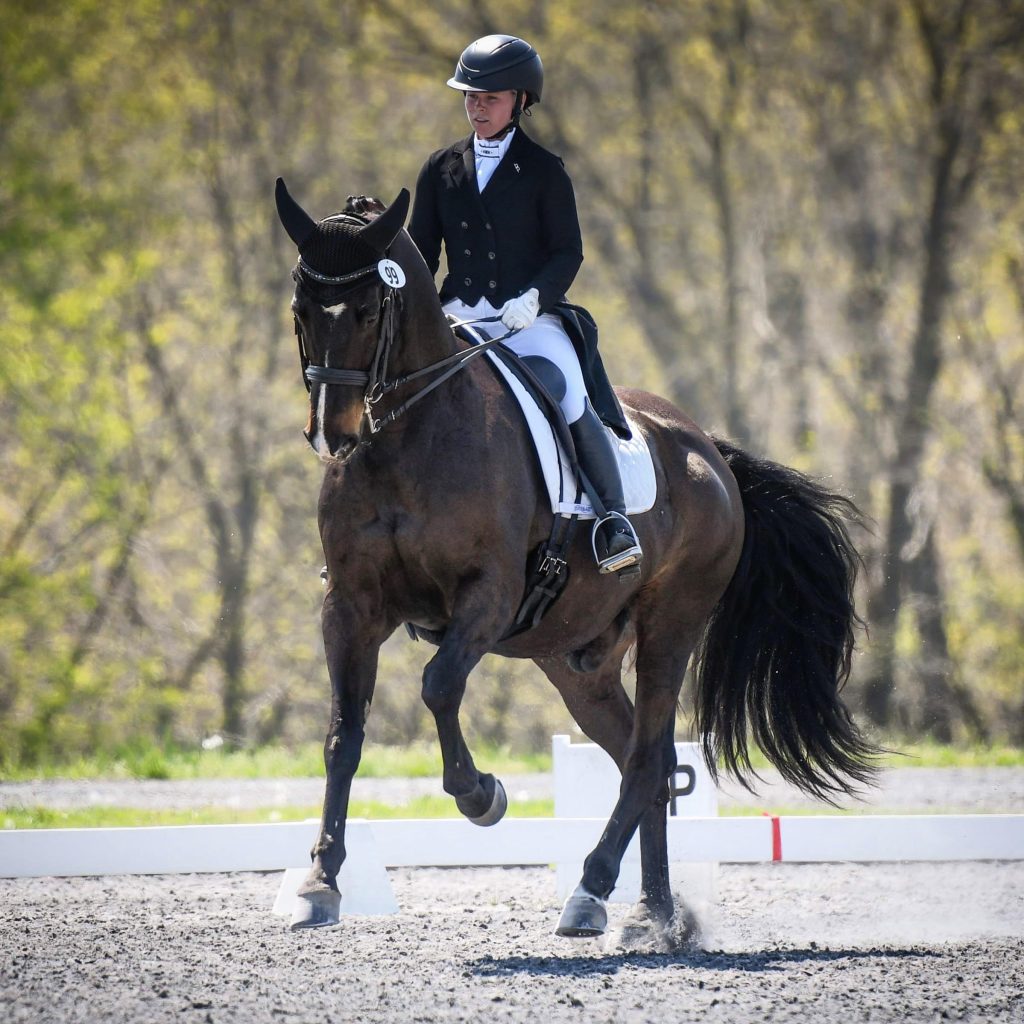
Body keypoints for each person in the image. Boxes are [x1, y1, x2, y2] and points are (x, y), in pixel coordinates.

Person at [408, 34, 643, 575]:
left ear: (520, 100)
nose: (477, 107)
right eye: (470, 96)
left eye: (490, 97)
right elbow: (422, 253)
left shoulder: (543, 170)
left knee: (566, 390)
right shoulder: (439, 168)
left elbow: (568, 250)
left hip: (527, 319)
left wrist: (535, 298)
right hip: (459, 315)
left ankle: (612, 520)